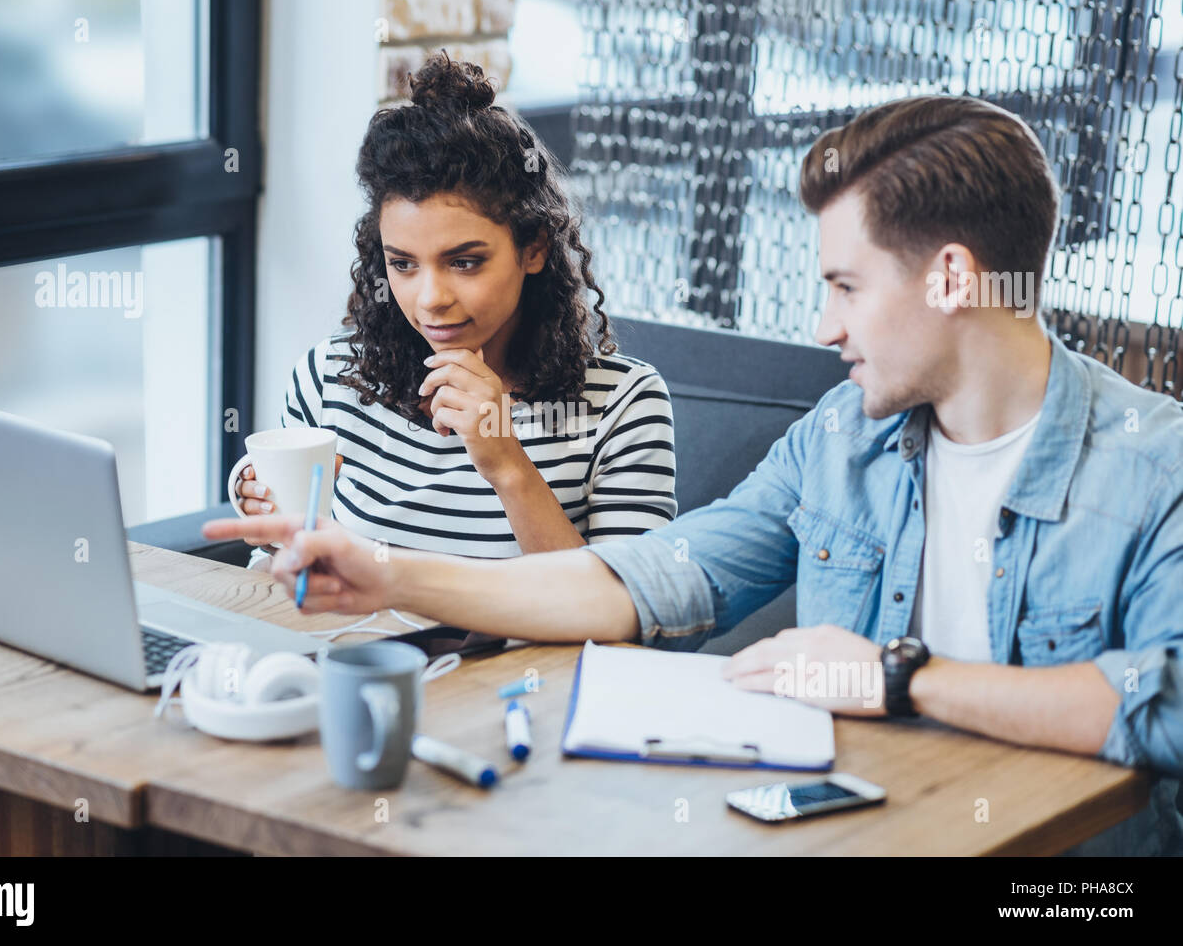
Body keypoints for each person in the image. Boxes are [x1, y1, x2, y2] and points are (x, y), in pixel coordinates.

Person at [206, 95, 1183, 854]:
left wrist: (892, 678)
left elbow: (1165, 706)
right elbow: (656, 575)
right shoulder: (841, 438)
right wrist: (387, 576)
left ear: (953, 279)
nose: (824, 326)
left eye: (845, 286)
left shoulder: (1155, 465)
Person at [233, 53, 676, 572]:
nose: (430, 299)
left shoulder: (623, 405)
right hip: (356, 653)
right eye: (403, 264)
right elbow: (293, 556)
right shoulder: (332, 377)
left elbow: (626, 614)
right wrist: (259, 504)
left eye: (465, 262)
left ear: (533, 249)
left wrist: (507, 465)